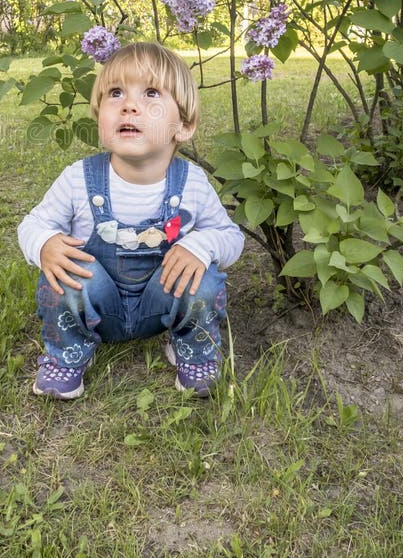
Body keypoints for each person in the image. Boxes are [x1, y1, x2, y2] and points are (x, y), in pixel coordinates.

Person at [18, 42, 244, 399]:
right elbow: (32, 224)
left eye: (151, 93)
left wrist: (201, 244)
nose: (129, 104)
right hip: (98, 302)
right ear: (99, 117)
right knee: (64, 272)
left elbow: (230, 237)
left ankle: (191, 349)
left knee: (203, 275)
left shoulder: (193, 184)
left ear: (183, 126)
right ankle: (70, 352)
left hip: (161, 302)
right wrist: (44, 244)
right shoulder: (79, 179)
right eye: (115, 93)